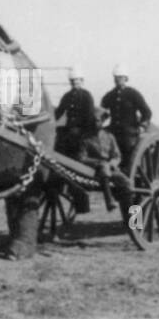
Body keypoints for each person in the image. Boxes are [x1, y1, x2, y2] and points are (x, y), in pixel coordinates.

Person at [54, 67, 100, 214]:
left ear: (82, 81)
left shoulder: (87, 96)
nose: (75, 83)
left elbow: (89, 118)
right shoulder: (67, 96)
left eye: (77, 81)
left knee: (77, 165)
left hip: (83, 135)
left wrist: (83, 137)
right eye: (72, 81)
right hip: (69, 135)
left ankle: (82, 201)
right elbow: (58, 112)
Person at [101, 64, 152, 173]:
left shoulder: (133, 94)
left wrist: (142, 126)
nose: (117, 80)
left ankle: (126, 176)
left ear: (125, 78)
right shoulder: (110, 95)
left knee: (127, 155)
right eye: (116, 77)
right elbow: (102, 112)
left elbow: (147, 112)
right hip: (113, 130)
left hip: (129, 132)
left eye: (120, 77)